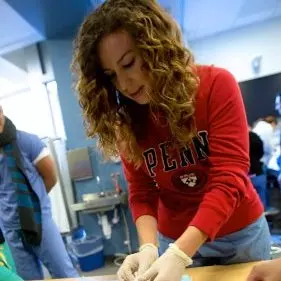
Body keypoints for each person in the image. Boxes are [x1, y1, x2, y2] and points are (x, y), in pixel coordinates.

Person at [72, 1, 271, 281]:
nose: (125, 85)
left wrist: (180, 253)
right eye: (112, 76)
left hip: (239, 235)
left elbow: (229, 177)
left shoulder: (216, 85)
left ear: (156, 48)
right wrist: (148, 247)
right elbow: (142, 192)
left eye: (128, 63)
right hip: (172, 238)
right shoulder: (127, 121)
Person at [0, 106, 79, 280]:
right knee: (28, 279)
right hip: (11, 228)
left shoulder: (27, 142)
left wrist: (35, 204)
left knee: (65, 274)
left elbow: (50, 177)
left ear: (1, 111)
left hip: (39, 222)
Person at [249, 129, 267, 208]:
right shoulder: (253, 136)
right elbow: (261, 152)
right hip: (257, 171)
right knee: (261, 201)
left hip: (243, 174)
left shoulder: (234, 138)